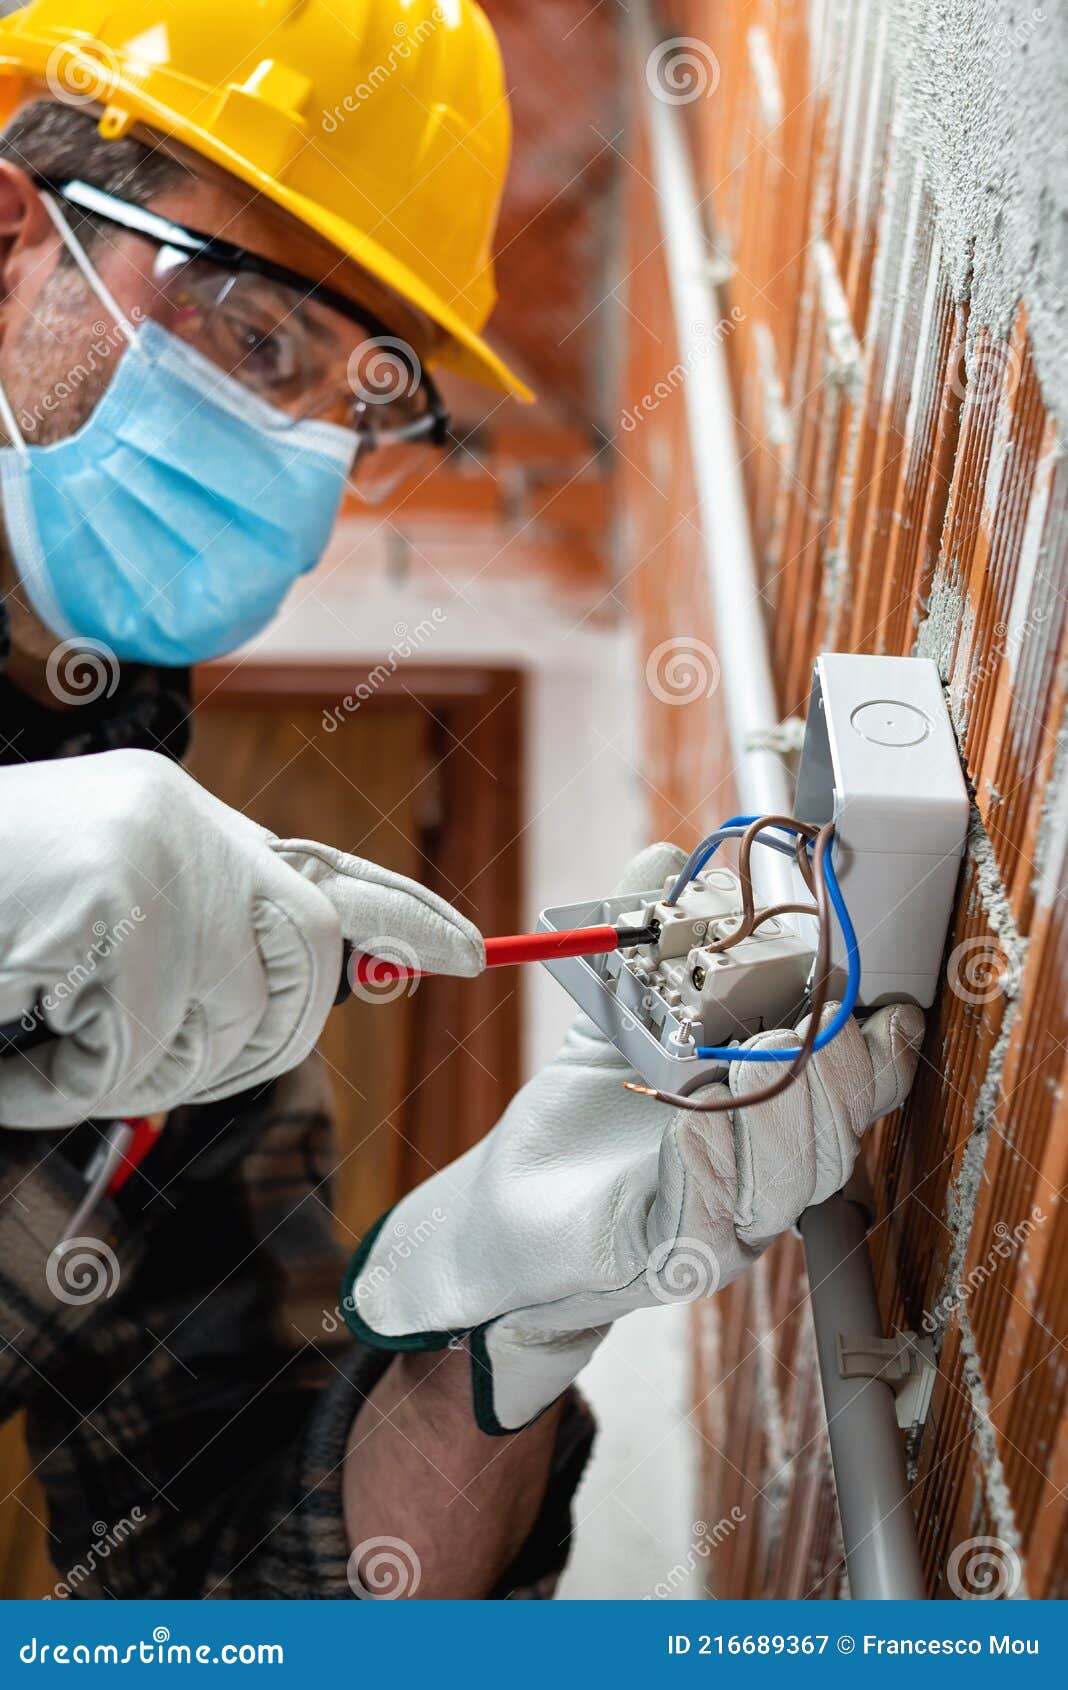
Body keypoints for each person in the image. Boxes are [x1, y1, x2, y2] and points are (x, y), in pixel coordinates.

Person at [0, 0, 924, 1599]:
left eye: (358, 404)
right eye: (256, 334)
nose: (299, 454)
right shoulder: (126, 888)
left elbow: (261, 1606)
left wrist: (514, 1324)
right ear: (16, 234)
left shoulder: (184, 994)